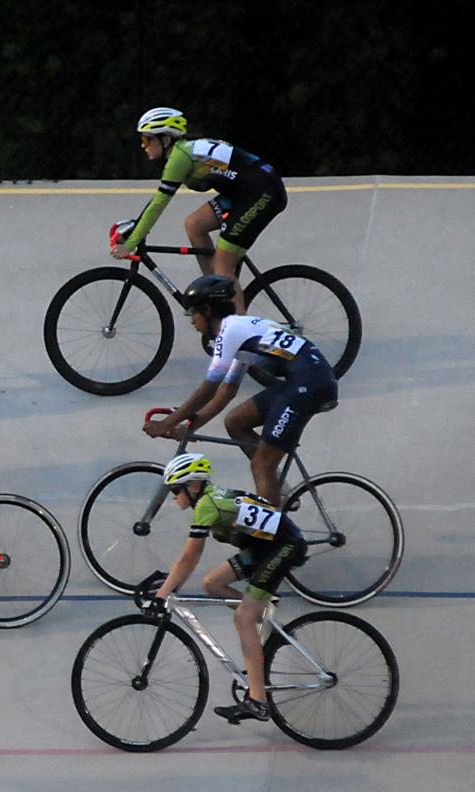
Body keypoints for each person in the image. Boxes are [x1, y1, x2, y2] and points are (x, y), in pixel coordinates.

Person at [143, 274, 338, 506]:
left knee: (261, 465)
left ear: (206, 310)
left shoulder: (230, 331)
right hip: (308, 380)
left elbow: (208, 390)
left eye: (192, 314)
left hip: (309, 384)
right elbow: (227, 392)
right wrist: (190, 427)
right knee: (236, 421)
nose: (192, 322)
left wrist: (167, 423)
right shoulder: (240, 331)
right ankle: (277, 491)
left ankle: (271, 536)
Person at [151, 452, 308, 724]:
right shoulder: (210, 497)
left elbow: (190, 557)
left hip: (282, 547)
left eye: (176, 489)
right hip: (264, 547)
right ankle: (263, 611)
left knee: (242, 618)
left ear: (193, 486)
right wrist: (168, 583)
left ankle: (257, 701)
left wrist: (163, 593)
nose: (173, 496)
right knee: (212, 583)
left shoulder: (207, 505)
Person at [110, 107, 287, 314]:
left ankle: (236, 332)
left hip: (262, 193)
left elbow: (159, 204)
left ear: (166, 139)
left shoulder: (179, 158)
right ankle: (213, 296)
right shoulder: (184, 151)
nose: (143, 145)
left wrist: (130, 243)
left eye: (148, 139)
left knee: (223, 267)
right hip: (244, 191)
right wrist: (136, 226)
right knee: (194, 224)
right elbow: (156, 202)